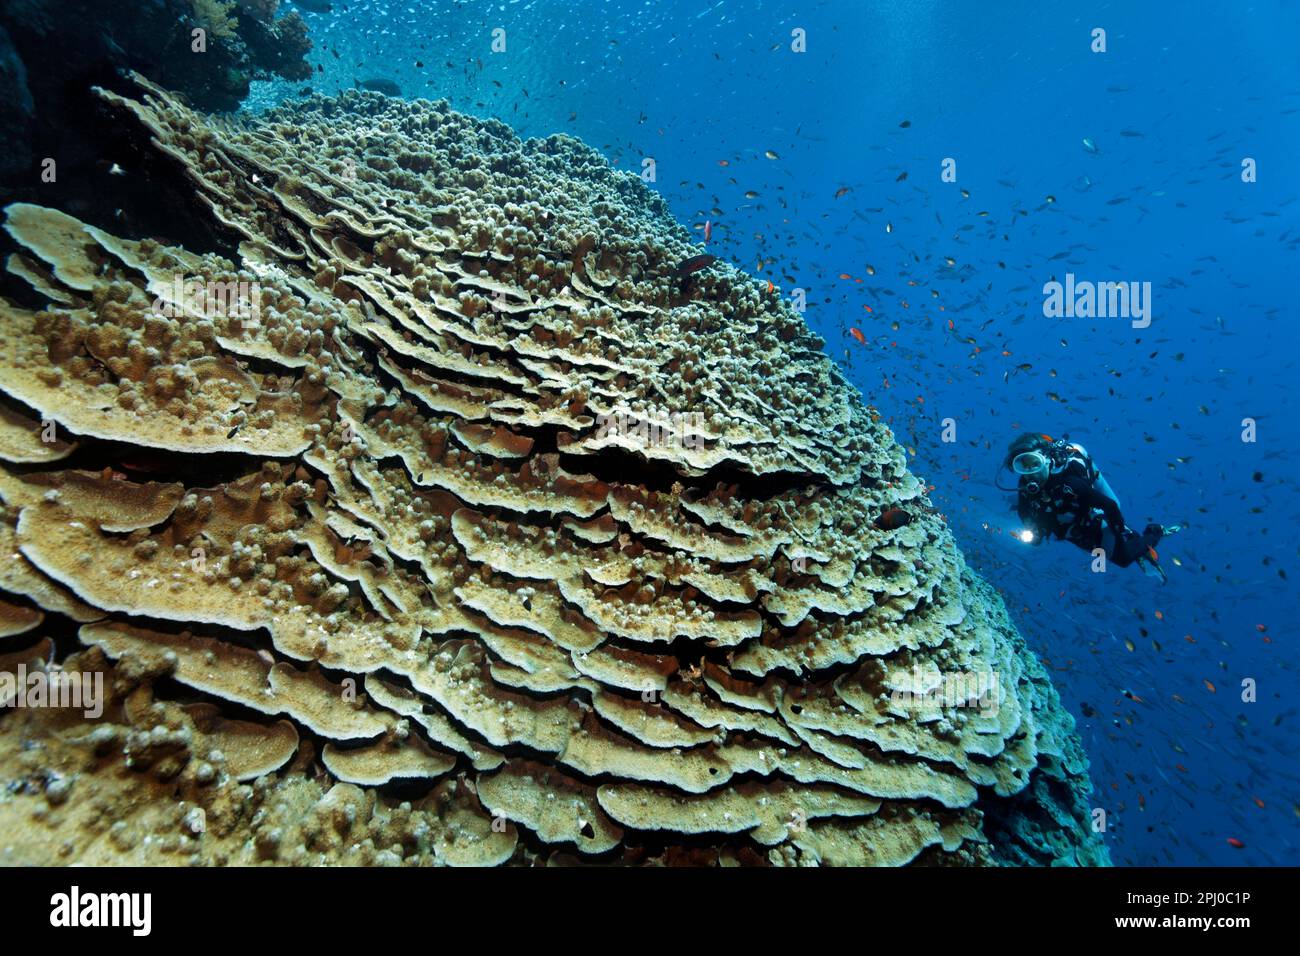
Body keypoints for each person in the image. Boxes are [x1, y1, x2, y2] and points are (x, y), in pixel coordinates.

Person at [997, 433, 1182, 583]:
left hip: (1094, 521)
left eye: (1034, 463)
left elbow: (1109, 505)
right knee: (1099, 561)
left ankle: (1153, 531)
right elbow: (1024, 513)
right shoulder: (1026, 486)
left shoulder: (1071, 483)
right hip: (1072, 531)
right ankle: (1132, 541)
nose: (1031, 473)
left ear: (1045, 459)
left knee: (1122, 559)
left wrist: (1116, 527)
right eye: (1023, 466)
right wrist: (1034, 534)